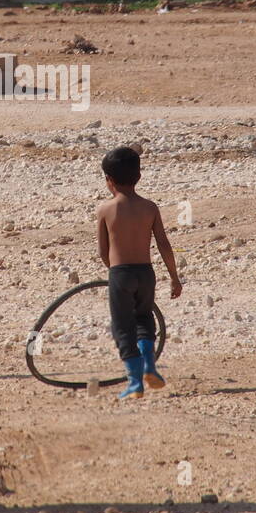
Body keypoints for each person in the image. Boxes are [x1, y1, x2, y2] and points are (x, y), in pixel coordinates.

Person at [96, 147, 182, 399]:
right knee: (144, 320)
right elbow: (164, 245)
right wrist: (175, 278)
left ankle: (135, 383)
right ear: (139, 176)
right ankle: (150, 367)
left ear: (108, 180)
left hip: (120, 273)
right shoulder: (150, 207)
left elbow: (103, 251)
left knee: (123, 327)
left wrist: (114, 273)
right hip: (146, 273)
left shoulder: (105, 210)